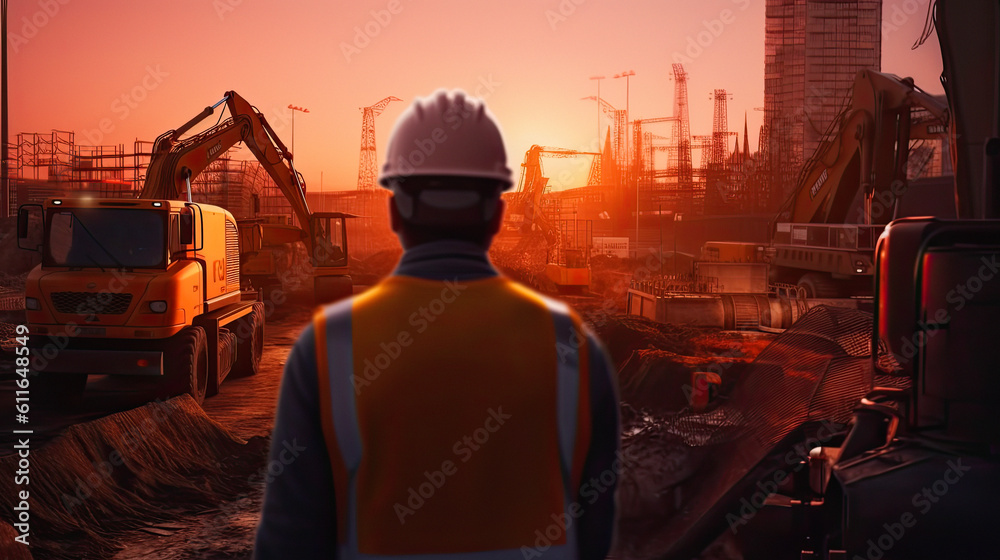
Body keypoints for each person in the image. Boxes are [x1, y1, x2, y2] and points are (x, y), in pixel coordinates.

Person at [253, 89, 620, 559]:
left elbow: (291, 541)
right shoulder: (571, 346)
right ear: (498, 213)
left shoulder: (328, 348)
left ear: (394, 212)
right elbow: (595, 529)